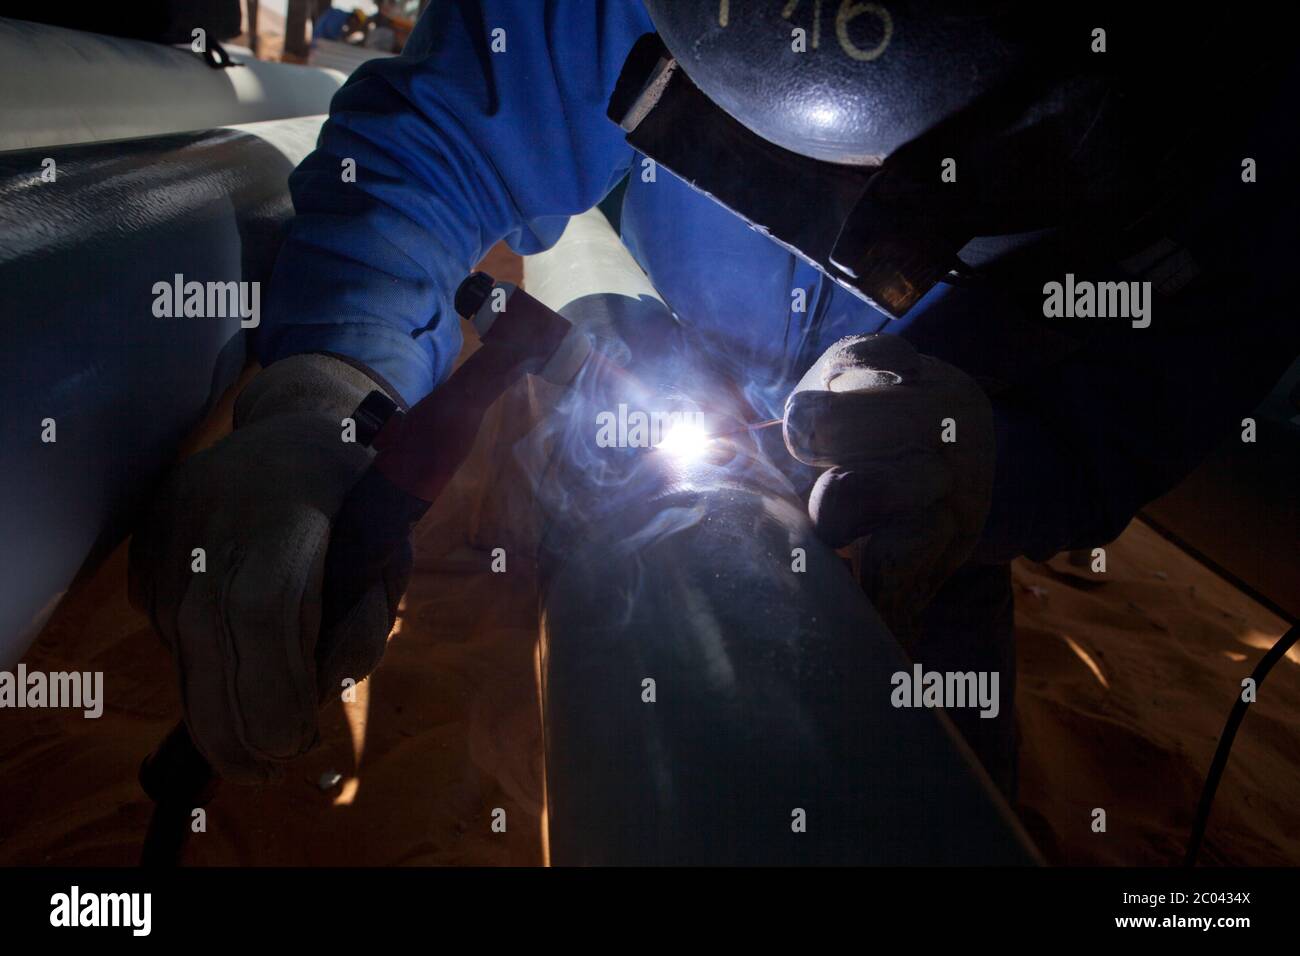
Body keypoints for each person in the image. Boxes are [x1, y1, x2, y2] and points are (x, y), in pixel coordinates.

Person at [130, 1, 1300, 795]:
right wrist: (327, 382)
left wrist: (999, 469)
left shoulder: (1235, 122)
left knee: (911, 805)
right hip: (668, 371)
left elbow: (1143, 402)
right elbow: (440, 147)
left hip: (925, 511)